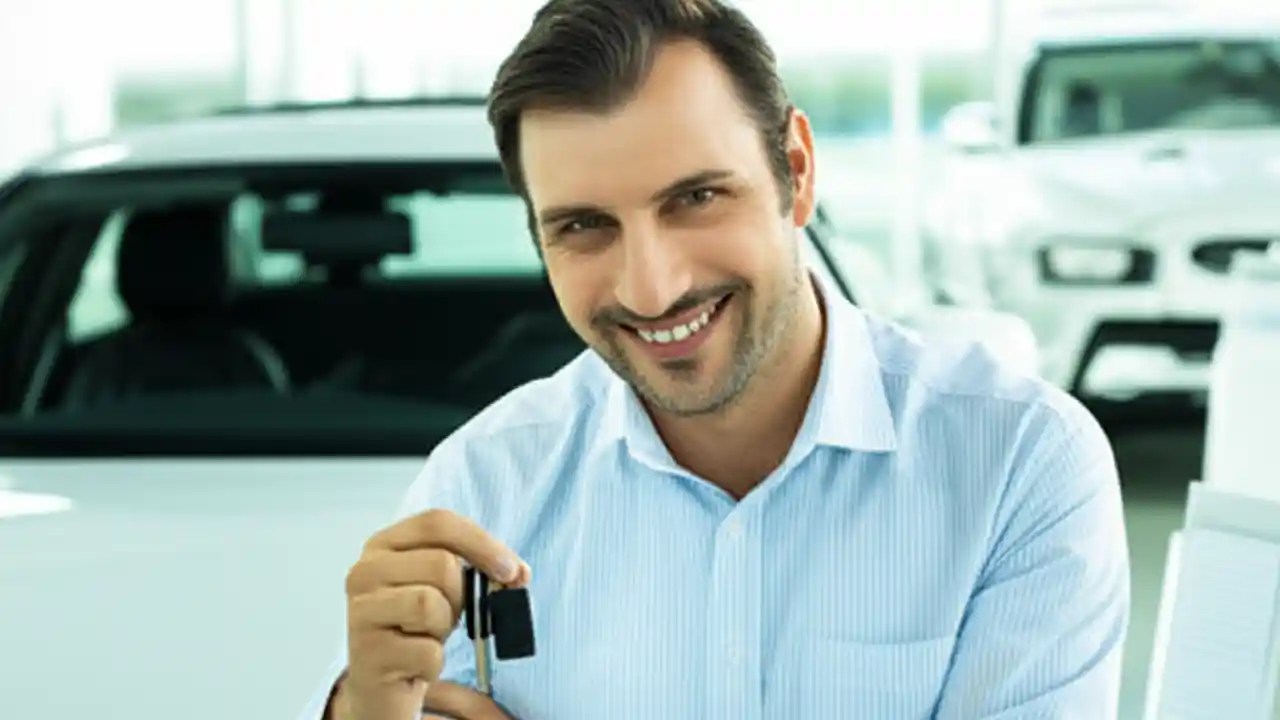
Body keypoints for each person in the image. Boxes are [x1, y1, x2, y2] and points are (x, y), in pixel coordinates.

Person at [304, 1, 1130, 718]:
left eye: (695, 198)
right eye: (585, 226)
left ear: (796, 172)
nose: (653, 288)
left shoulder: (1020, 464)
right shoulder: (486, 484)